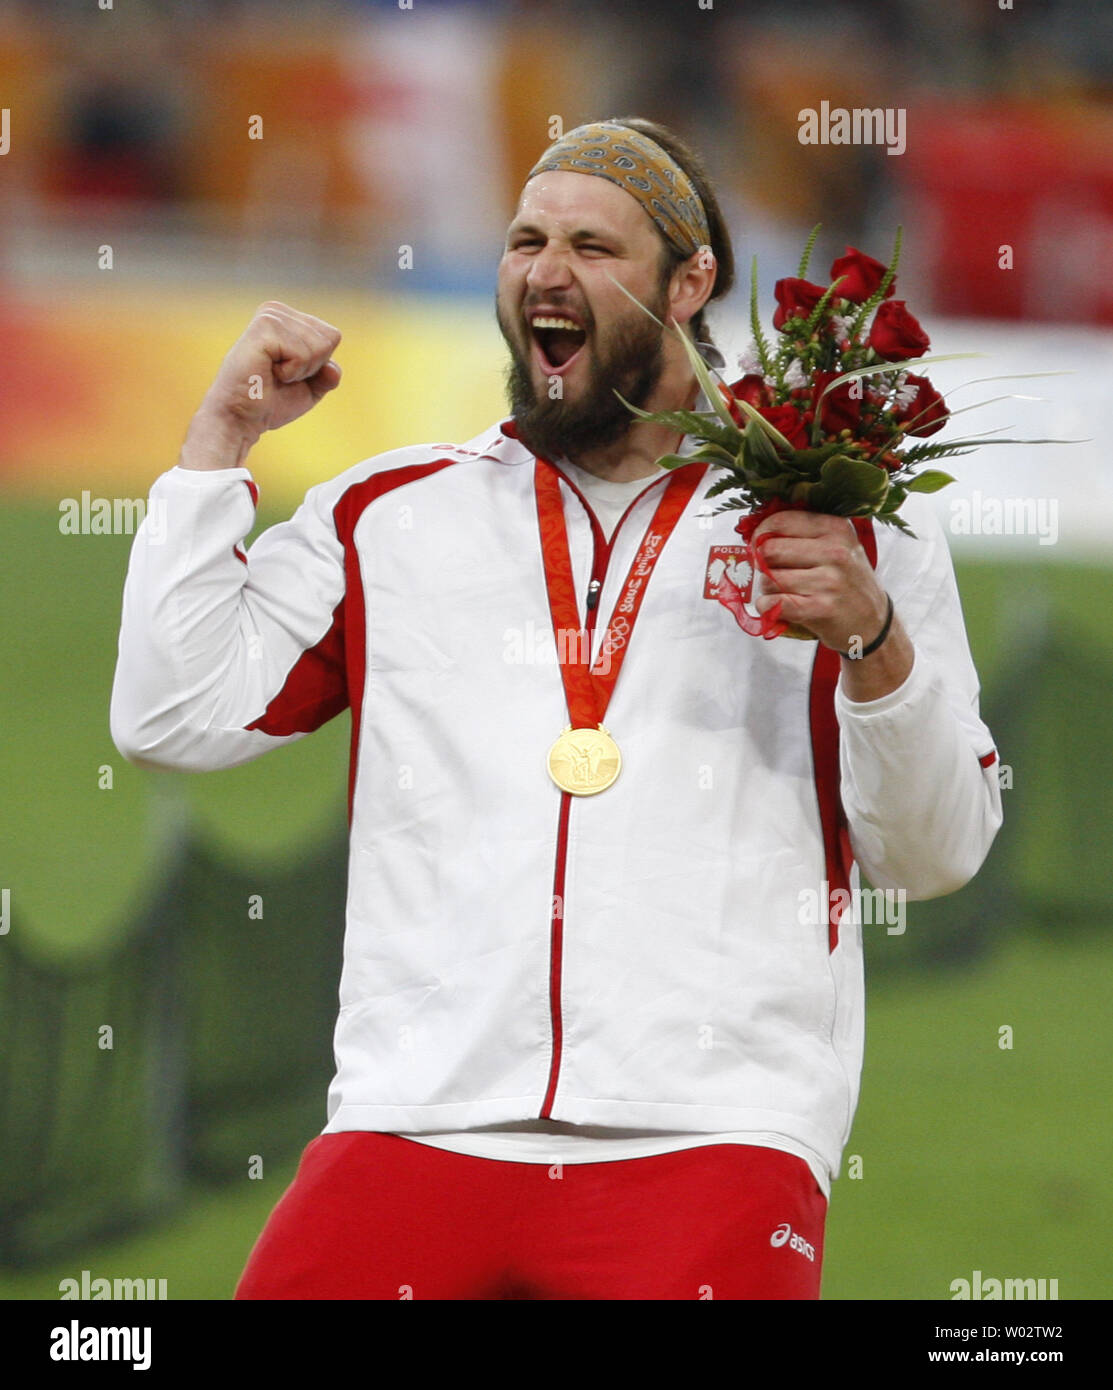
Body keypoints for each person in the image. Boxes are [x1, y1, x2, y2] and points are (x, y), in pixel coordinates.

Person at [110, 118, 1003, 1300]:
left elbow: (937, 856)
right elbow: (169, 717)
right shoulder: (390, 514)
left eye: (593, 245)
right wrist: (217, 448)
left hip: (711, 1131)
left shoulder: (839, 521)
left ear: (692, 281)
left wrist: (873, 641)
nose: (545, 271)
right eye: (527, 240)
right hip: (414, 1116)